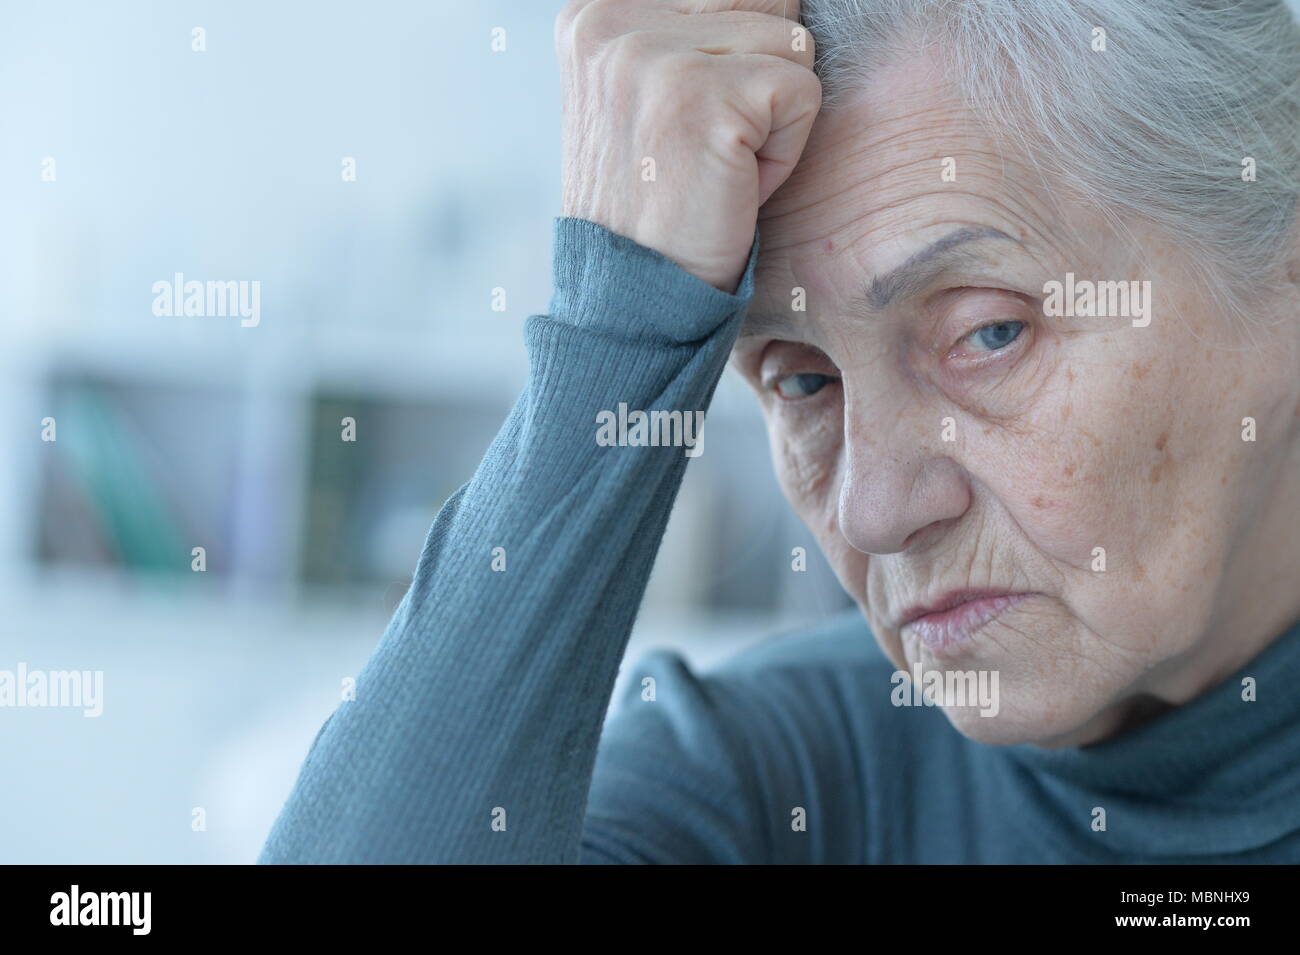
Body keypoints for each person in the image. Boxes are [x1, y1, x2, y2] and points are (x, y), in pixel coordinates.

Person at [259, 0, 1300, 863]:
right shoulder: (773, 787)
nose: (873, 507)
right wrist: (618, 317)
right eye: (801, 380)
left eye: (987, 331)